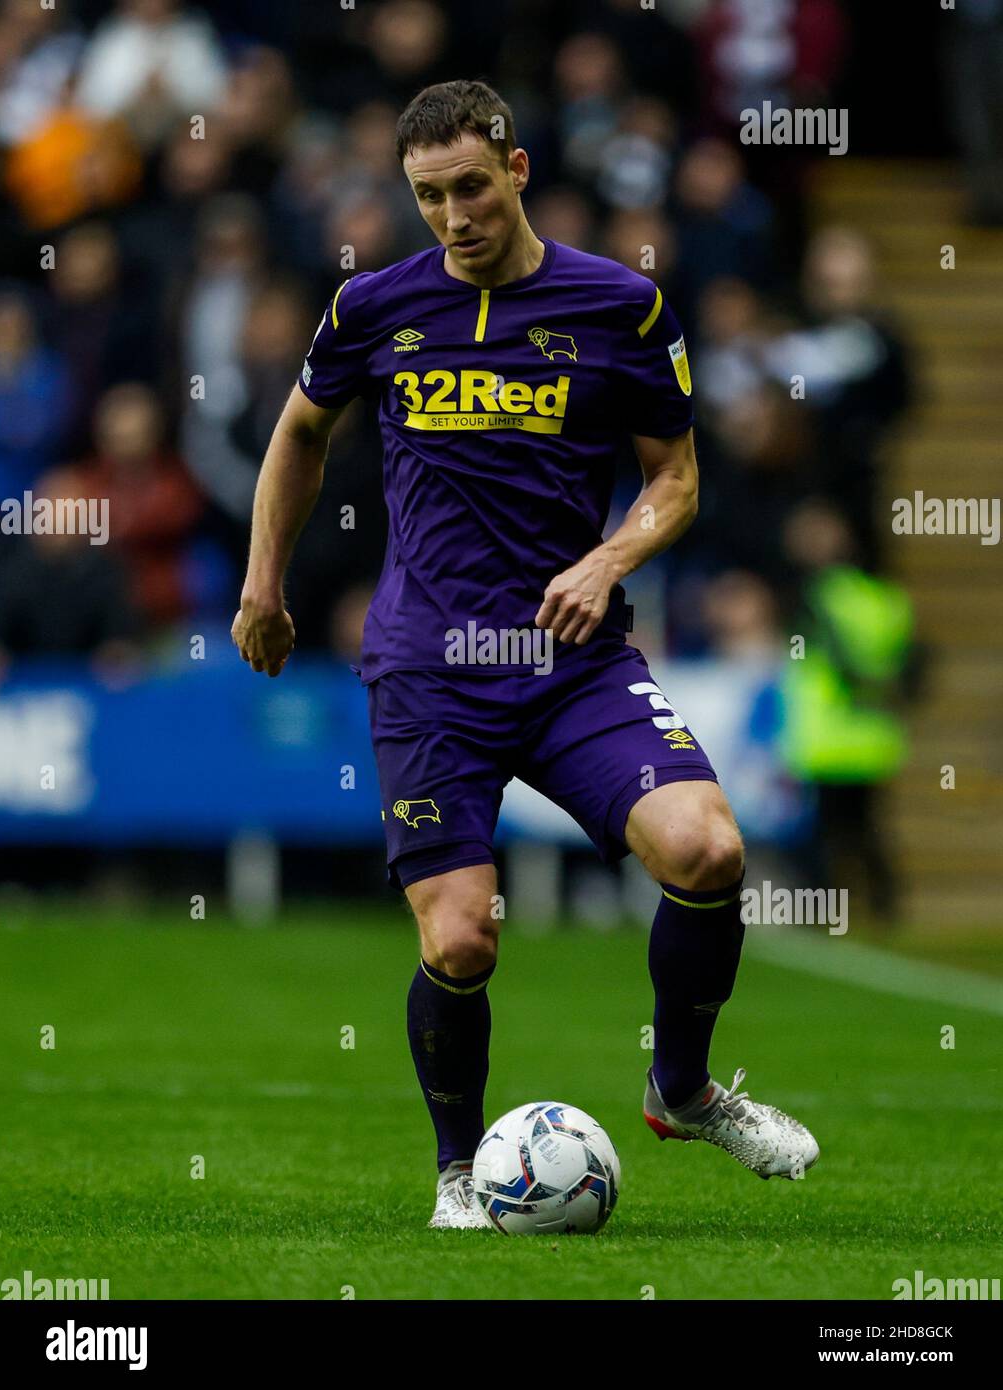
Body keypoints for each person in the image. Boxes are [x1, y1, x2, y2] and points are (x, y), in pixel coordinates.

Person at [230, 79, 819, 1228]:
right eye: (427, 197)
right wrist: (264, 584)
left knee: (706, 851)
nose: (452, 215)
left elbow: (676, 479)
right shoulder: (372, 308)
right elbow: (299, 430)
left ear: (517, 167)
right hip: (428, 669)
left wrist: (609, 559)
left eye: (468, 186)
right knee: (460, 935)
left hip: (572, 661)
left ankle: (683, 1086)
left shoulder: (622, 306)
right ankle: (459, 1173)